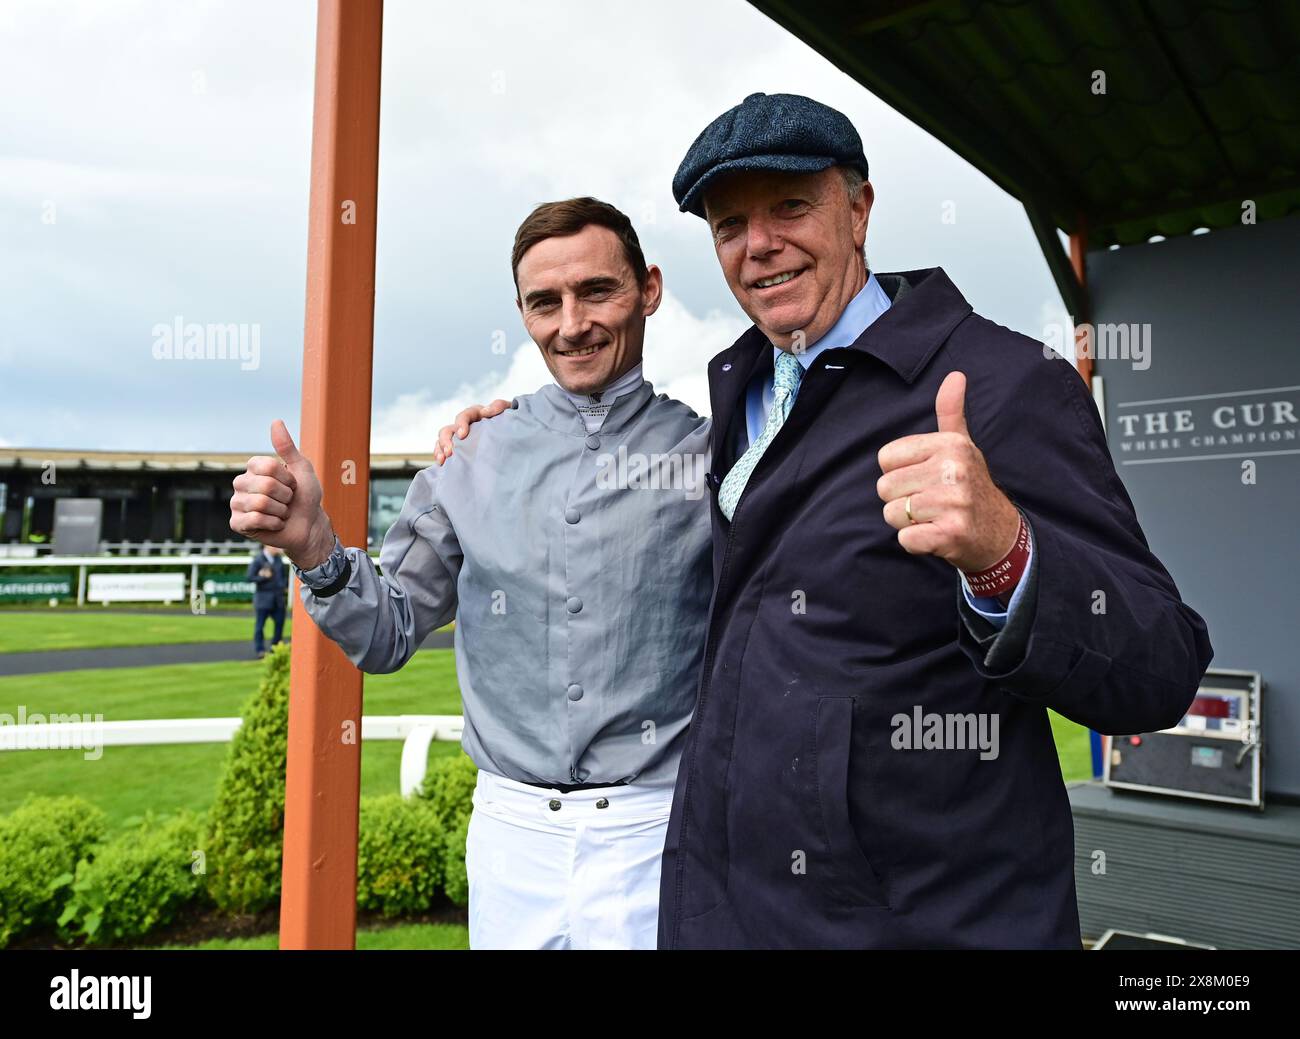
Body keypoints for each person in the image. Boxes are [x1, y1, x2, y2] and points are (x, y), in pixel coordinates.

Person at [442, 93, 1214, 949]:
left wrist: (1006, 553)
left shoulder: (1001, 381)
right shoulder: (743, 395)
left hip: (926, 918)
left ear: (860, 208)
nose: (759, 243)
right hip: (741, 908)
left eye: (790, 206)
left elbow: (1160, 667)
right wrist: (515, 434)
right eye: (730, 224)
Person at [229, 197, 711, 949]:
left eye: (596, 292)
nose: (571, 324)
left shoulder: (714, 457)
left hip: (658, 831)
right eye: (543, 303)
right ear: (521, 311)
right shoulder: (474, 454)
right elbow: (387, 631)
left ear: (648, 289)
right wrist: (315, 545)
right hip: (510, 843)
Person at [245, 543, 287, 657]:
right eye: (274, 546)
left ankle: (275, 648)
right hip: (263, 599)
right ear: (266, 546)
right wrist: (263, 577)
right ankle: (260, 650)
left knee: (279, 624)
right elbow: (249, 577)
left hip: (278, 599)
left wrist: (283, 586)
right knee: (260, 626)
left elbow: (283, 576)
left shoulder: (278, 559)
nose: (277, 548)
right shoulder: (258, 560)